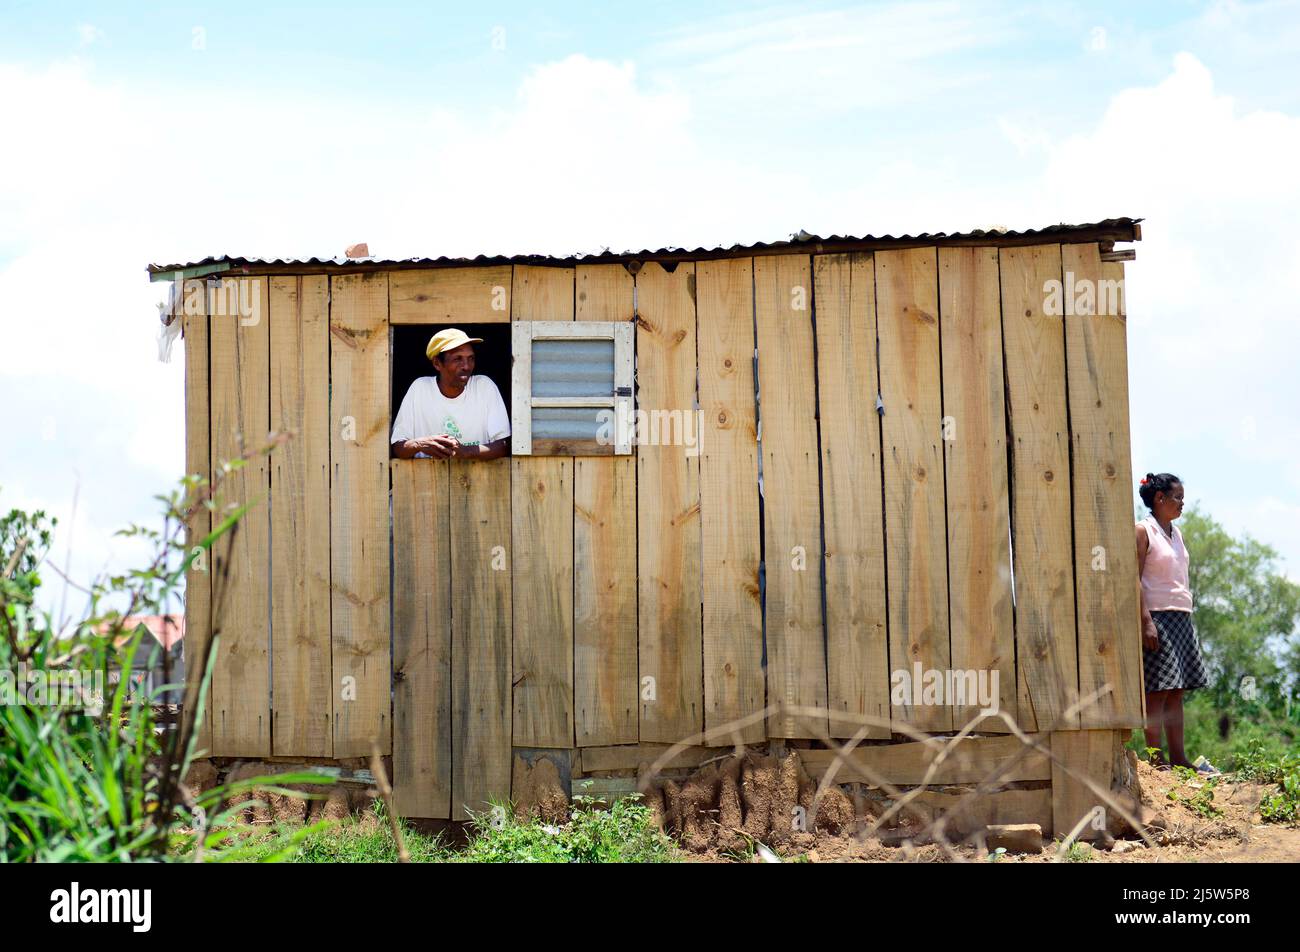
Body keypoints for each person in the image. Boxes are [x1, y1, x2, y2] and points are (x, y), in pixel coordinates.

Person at [1135, 472, 1216, 774]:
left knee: (1177, 689)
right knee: (1157, 690)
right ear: (1159, 499)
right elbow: (1134, 578)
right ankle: (1156, 759)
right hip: (1157, 617)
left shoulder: (1176, 533)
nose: (1182, 502)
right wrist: (1145, 621)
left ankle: (1179, 757)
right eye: (1177, 497)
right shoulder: (1144, 531)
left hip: (1181, 616)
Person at [390, 328, 510, 461]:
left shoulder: (484, 387)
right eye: (458, 359)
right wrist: (422, 444)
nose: (467, 366)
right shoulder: (420, 389)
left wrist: (465, 451)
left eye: (471, 358)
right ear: (437, 363)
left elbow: (503, 446)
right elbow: (398, 448)